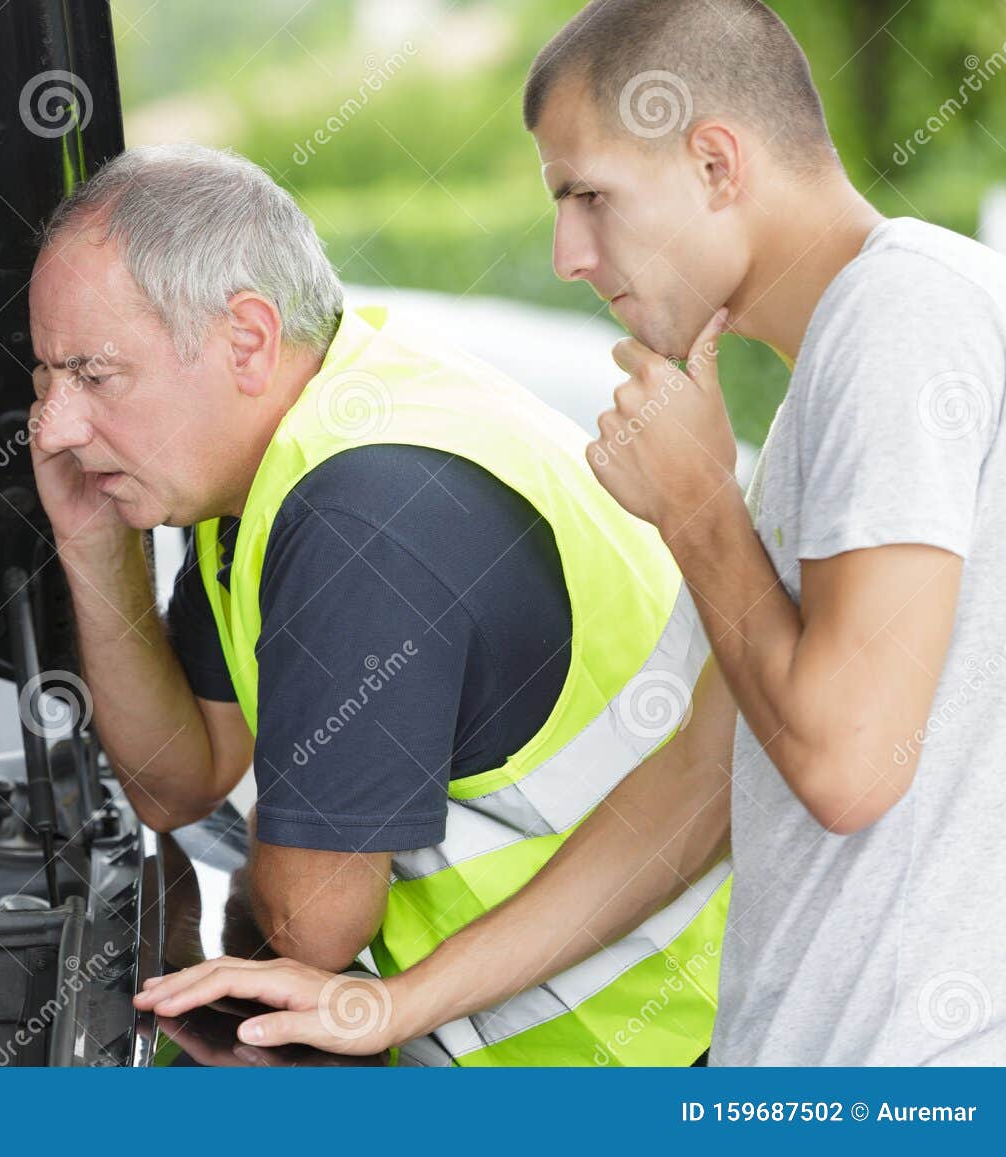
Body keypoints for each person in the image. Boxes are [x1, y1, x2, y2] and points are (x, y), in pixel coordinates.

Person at [137, 0, 1006, 1066]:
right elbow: (700, 784)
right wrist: (390, 1006)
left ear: (715, 163)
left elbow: (849, 767)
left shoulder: (903, 315)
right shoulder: (821, 390)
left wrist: (696, 506)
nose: (567, 254)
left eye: (588, 195)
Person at [31, 142, 728, 1066]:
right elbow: (178, 781)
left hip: (675, 1051)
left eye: (93, 376)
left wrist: (289, 828)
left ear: (247, 340)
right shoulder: (275, 452)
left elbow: (313, 924)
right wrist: (92, 545)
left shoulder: (359, 513)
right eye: (46, 379)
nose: (55, 428)